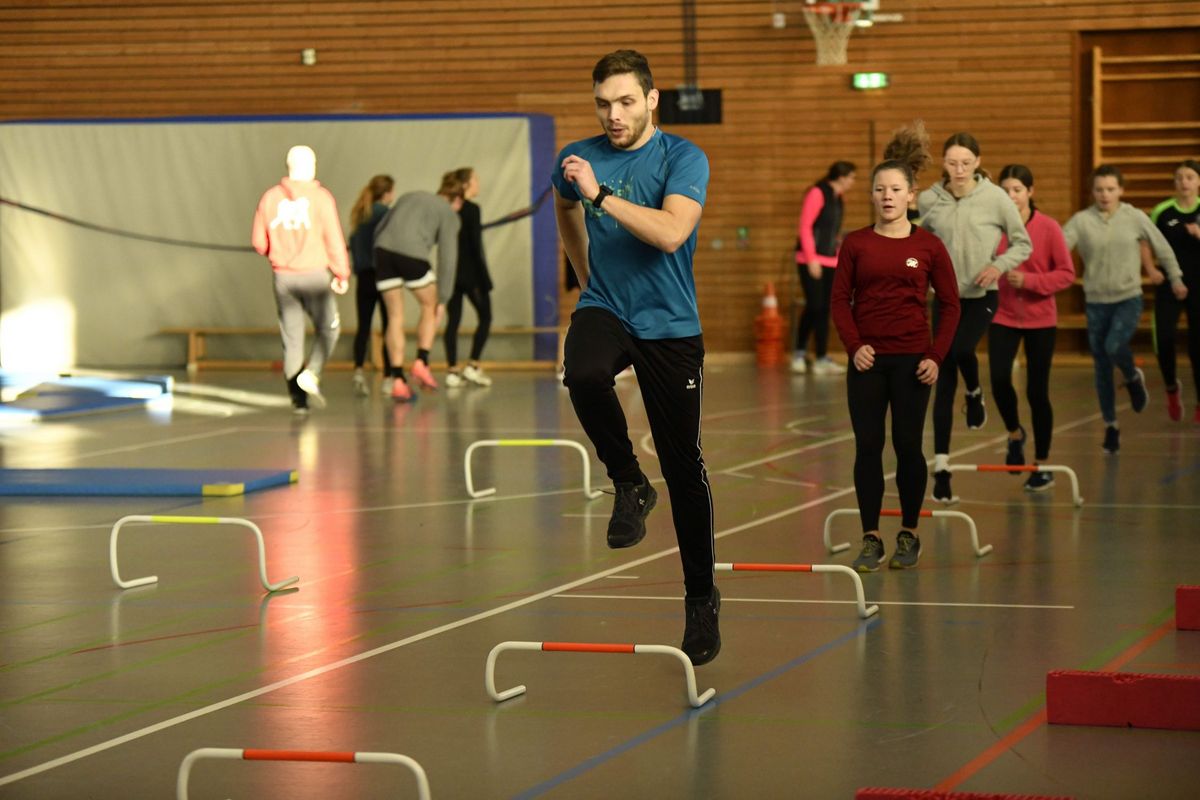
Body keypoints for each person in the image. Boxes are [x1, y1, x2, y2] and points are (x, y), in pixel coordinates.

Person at [552, 49, 719, 666]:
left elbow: (672, 232)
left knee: (685, 468)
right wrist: (584, 273)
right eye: (602, 103)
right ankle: (627, 480)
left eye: (625, 102)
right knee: (584, 372)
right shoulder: (577, 156)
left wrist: (600, 198)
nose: (612, 115)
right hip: (607, 307)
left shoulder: (683, 158)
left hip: (671, 326)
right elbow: (565, 206)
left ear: (652, 99)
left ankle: (700, 599)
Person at [831, 130, 960, 573]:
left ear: (911, 195)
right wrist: (854, 346)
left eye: (896, 190)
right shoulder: (856, 244)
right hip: (867, 362)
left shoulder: (928, 246)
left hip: (913, 363)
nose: (888, 196)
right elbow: (838, 300)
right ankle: (871, 538)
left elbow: (950, 303)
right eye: (880, 189)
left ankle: (908, 533)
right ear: (871, 195)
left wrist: (936, 356)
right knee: (868, 446)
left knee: (908, 445)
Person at [919, 131, 1032, 504]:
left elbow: (1022, 243)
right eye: (952, 163)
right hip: (946, 300)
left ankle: (975, 391)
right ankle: (942, 469)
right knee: (941, 380)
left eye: (966, 162)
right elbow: (918, 244)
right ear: (944, 164)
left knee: (960, 349)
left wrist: (997, 266)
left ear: (978, 163)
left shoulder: (996, 198)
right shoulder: (929, 200)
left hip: (982, 295)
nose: (959, 169)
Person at [1064, 164, 1187, 453]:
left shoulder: (1134, 217)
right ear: (1092, 191)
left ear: (1121, 190)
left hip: (1127, 298)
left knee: (1114, 345)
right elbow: (1057, 248)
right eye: (1099, 189)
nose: (1105, 195)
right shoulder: (1081, 221)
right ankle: (1111, 426)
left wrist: (1176, 277)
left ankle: (1132, 376)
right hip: (1095, 302)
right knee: (1102, 368)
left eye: (1110, 189)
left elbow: (1162, 247)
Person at [988, 164, 1076, 491]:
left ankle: (1041, 463)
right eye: (1006, 190)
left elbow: (1066, 273)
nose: (1011, 196)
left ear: (1030, 192)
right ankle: (1014, 434)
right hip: (1002, 316)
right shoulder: (993, 229)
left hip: (1041, 319)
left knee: (1037, 391)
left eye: (1017, 190)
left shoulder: (1049, 228)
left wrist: (1032, 281)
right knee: (998, 379)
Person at [251, 145, 349, 414]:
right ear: (311, 166)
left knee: (292, 339)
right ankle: (312, 372)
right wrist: (341, 272)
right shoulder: (321, 198)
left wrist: (277, 252)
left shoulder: (270, 198)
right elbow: (334, 238)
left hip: (283, 277)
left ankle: (298, 401)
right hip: (315, 276)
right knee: (329, 329)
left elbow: (258, 242)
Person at [372, 172, 464, 401]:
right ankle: (422, 361)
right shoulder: (449, 214)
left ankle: (397, 380)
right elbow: (448, 258)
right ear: (457, 201)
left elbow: (379, 229)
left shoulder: (409, 196)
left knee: (394, 317)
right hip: (411, 255)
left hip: (382, 251)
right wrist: (444, 298)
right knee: (430, 305)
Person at [793, 161, 856, 375]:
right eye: (851, 178)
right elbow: (805, 226)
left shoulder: (839, 199)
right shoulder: (817, 193)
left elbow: (832, 232)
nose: (852, 182)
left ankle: (821, 357)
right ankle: (799, 353)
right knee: (814, 306)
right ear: (842, 176)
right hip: (809, 260)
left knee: (824, 309)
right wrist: (811, 259)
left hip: (830, 261)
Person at [1149, 159, 1200, 422]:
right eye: (1179, 177)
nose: (1184, 182)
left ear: (1198, 182)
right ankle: (1171, 388)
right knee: (1164, 339)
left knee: (1197, 347)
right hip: (1170, 284)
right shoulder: (1162, 211)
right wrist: (1151, 269)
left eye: (1190, 177)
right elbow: (1143, 241)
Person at [444, 166, 495, 388]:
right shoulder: (472, 209)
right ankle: (472, 365)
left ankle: (452, 370)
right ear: (466, 184)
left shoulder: (448, 209)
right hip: (471, 275)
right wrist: (485, 279)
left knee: (452, 321)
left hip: (451, 274)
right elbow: (476, 246)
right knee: (486, 316)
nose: (478, 184)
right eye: (475, 180)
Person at [348, 174, 395, 396]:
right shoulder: (385, 214)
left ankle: (358, 371)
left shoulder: (360, 214)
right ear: (387, 193)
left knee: (363, 327)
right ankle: (388, 376)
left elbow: (353, 245)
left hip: (364, 277)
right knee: (389, 325)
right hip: (383, 276)